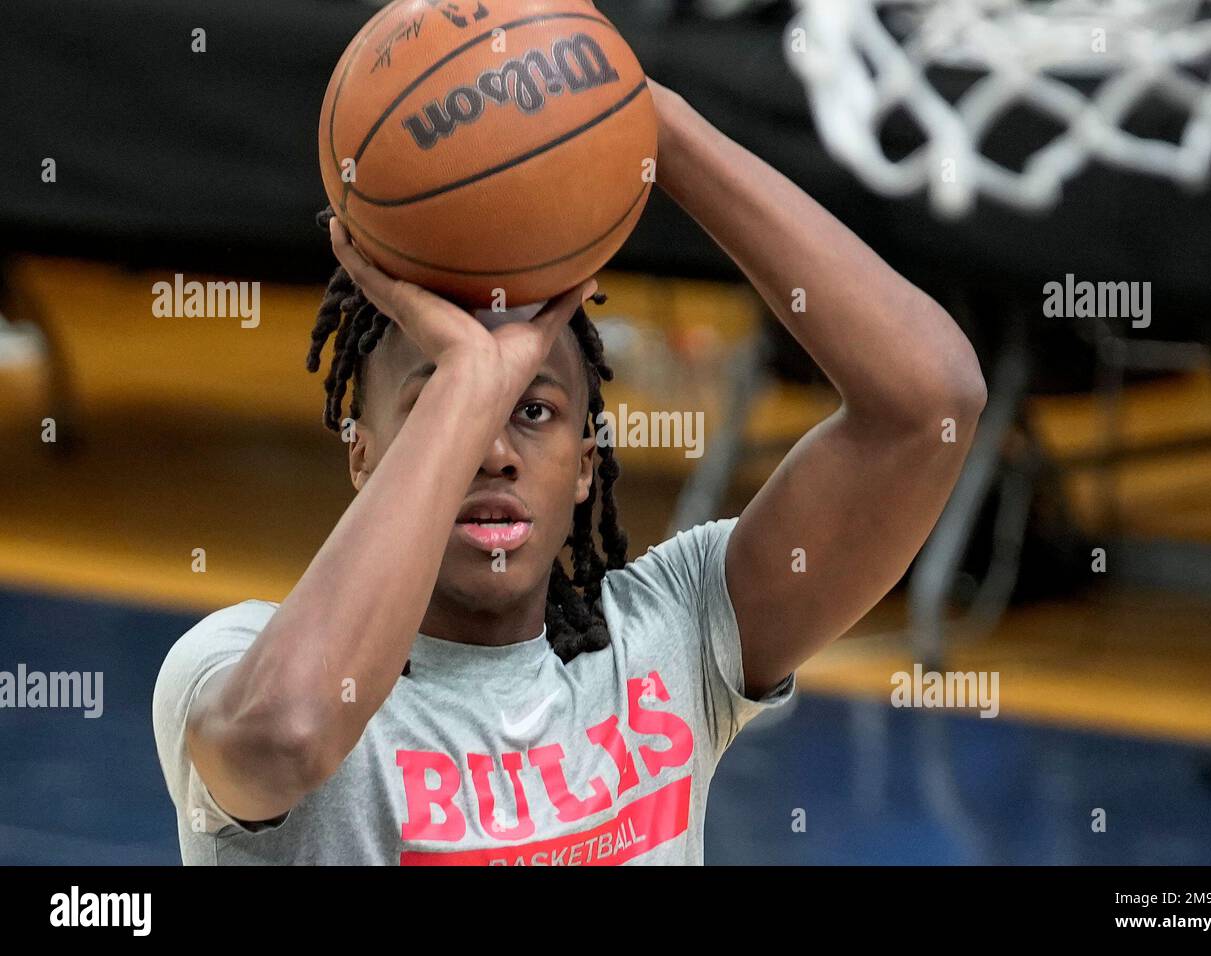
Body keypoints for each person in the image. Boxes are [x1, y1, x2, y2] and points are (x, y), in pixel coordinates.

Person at [152, 78, 986, 865]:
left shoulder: (674, 633)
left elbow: (930, 406)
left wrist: (647, 120)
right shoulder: (230, 662)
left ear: (587, 466)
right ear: (363, 455)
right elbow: (286, 736)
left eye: (533, 409)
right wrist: (475, 381)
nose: (493, 449)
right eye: (438, 402)